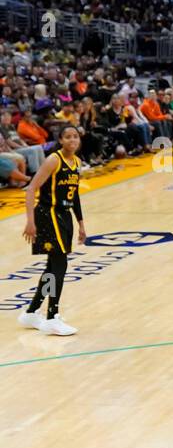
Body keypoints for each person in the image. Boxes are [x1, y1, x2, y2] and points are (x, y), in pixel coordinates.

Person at [18, 126, 86, 335]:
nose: (72, 140)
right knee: (60, 264)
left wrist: (81, 224)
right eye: (68, 137)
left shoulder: (77, 162)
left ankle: (31, 312)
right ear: (60, 140)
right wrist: (30, 221)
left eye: (75, 136)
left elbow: (74, 196)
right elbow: (31, 188)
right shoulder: (53, 160)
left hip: (64, 216)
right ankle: (51, 316)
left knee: (51, 267)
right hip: (48, 215)